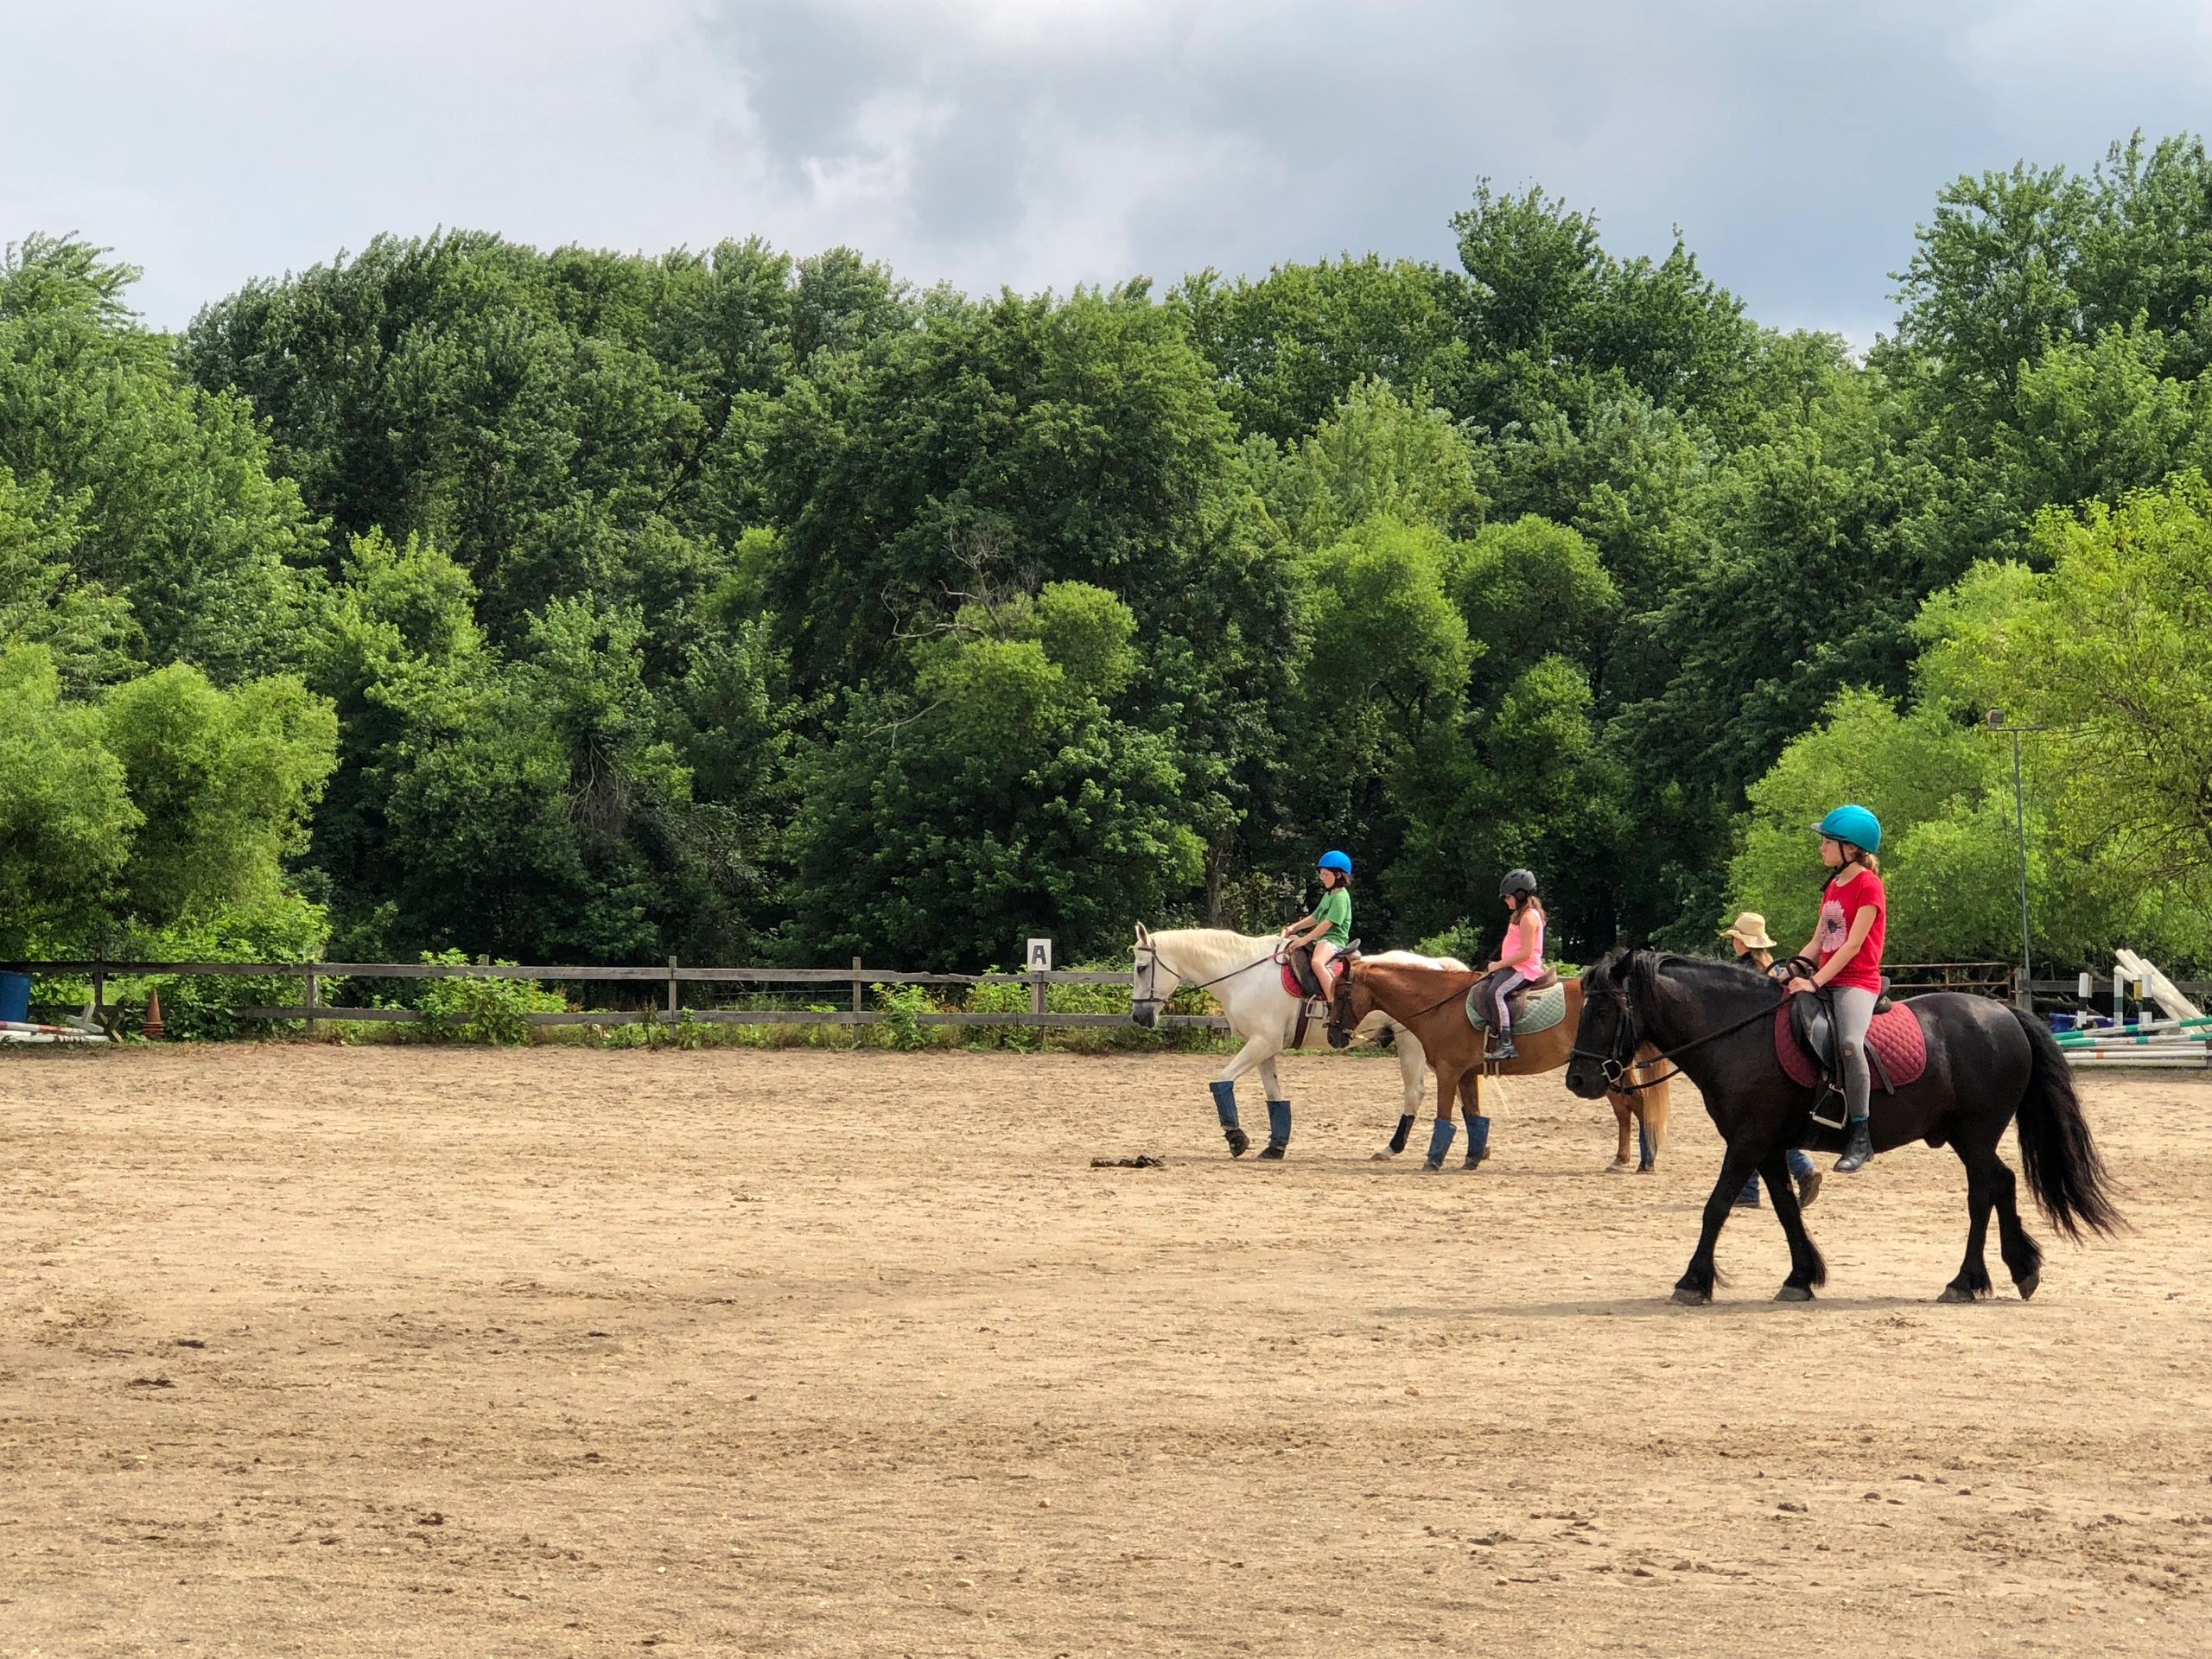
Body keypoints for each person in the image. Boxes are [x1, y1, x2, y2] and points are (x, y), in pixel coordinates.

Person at [1783, 806, 1888, 1174]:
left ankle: (1861, 1134)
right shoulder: (1833, 885)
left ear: (1851, 849)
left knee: (1849, 1045)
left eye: (1828, 841)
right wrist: (1792, 968)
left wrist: (1814, 981)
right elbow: (1819, 941)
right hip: (1826, 976)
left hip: (1857, 982)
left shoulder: (1869, 886)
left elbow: (1853, 945)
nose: (1822, 848)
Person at [1720, 911, 1821, 1211]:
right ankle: (1796, 1170)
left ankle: (1762, 1185)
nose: (1734, 944)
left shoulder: (1740, 975)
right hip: (1775, 1050)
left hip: (1749, 1055)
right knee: (1758, 1126)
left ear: (1743, 943)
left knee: (1749, 1126)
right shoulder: (1773, 969)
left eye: (1736, 939)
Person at [1471, 869, 1545, 1060]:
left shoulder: (1529, 918)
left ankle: (1507, 1044)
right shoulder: (1522, 915)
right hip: (1515, 967)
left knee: (1495, 993)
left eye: (1508, 897)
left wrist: (1498, 965)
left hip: (1524, 969)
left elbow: (1526, 953)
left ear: (1520, 896)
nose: (1506, 901)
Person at [1282, 851, 1354, 998]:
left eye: (1326, 874)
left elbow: (1327, 923)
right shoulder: (1329, 895)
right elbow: (1315, 917)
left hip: (1334, 940)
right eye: (1321, 874)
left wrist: (1305, 939)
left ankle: (1333, 1002)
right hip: (1323, 939)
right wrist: (1294, 927)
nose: (1322, 878)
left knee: (1317, 963)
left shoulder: (1340, 897)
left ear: (1338, 875)